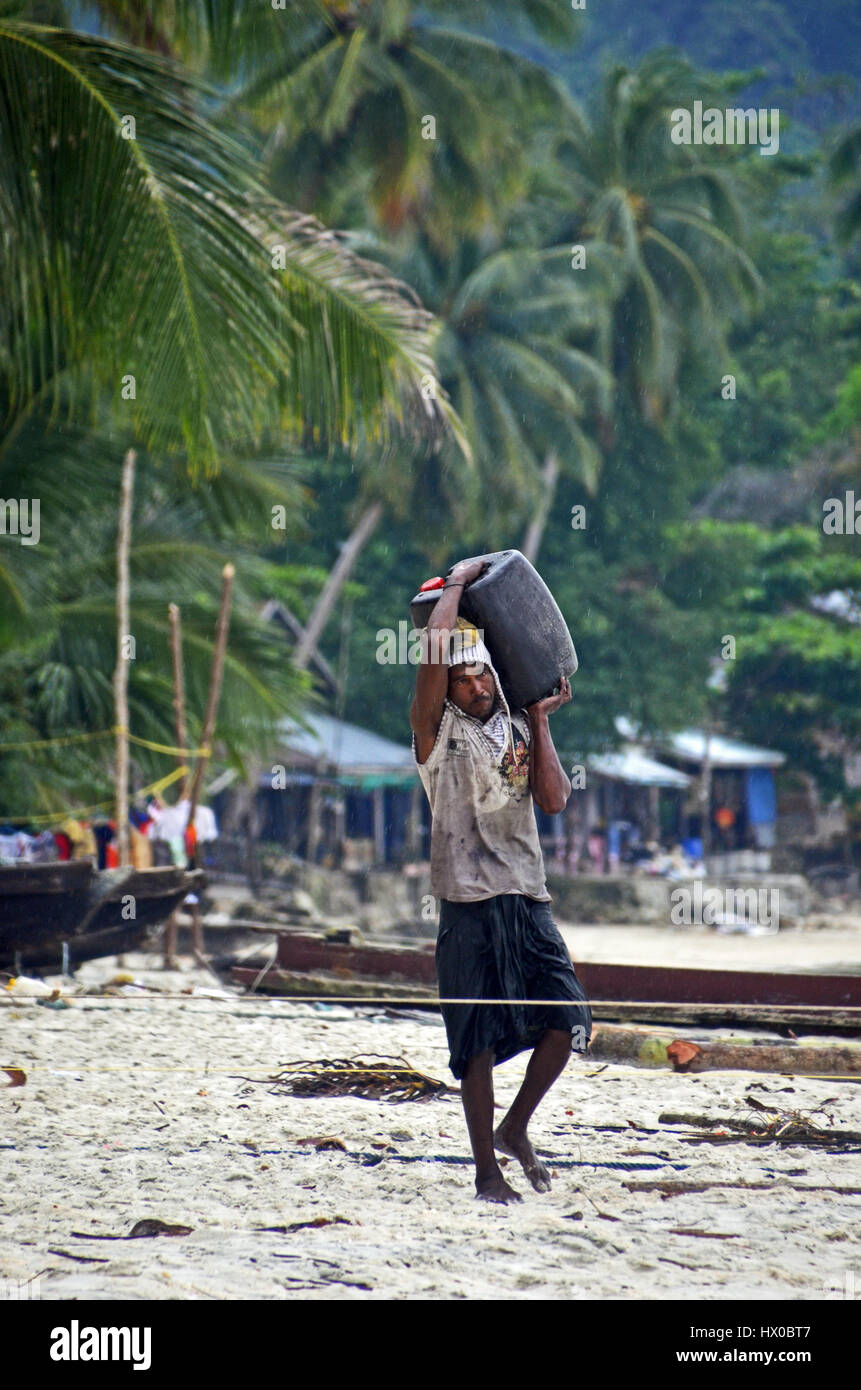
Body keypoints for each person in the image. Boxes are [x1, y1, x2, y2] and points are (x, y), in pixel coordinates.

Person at [410, 556, 592, 1204]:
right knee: (475, 1042)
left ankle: (517, 1127)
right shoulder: (434, 734)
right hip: (463, 902)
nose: (471, 683)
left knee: (568, 1018)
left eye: (479, 671)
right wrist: (457, 583)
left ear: (494, 673)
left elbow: (551, 801)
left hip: (525, 892)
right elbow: (433, 653)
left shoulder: (519, 726)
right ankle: (486, 1170)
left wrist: (540, 721)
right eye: (458, 678)